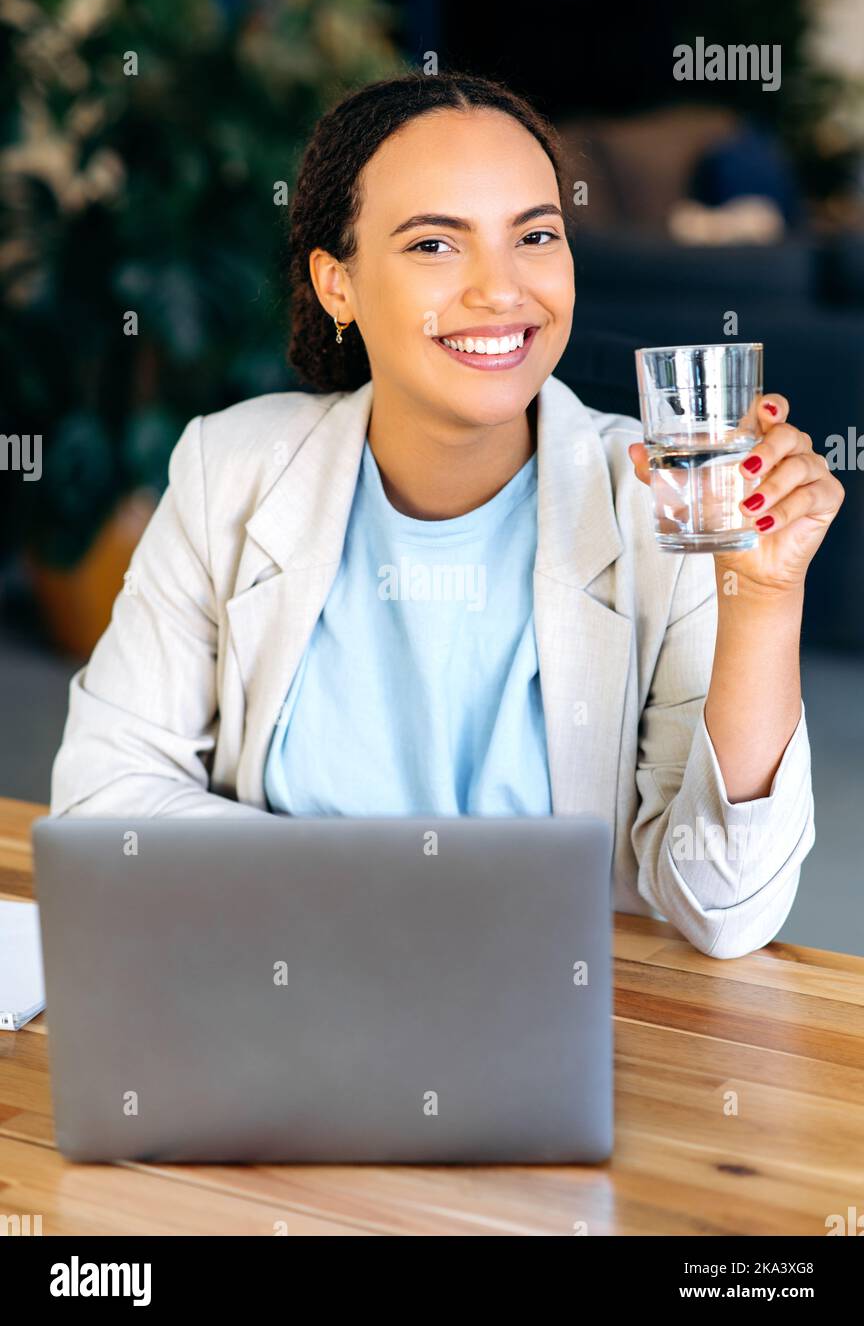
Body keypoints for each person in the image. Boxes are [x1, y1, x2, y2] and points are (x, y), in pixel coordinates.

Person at [50, 71, 844, 959]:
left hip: (556, 1026)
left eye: (535, 235)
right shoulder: (229, 469)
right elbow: (103, 803)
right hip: (282, 989)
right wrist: (400, 896)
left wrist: (764, 601)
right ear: (336, 284)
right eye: (435, 244)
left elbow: (726, 909)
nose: (501, 291)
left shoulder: (675, 500)